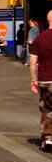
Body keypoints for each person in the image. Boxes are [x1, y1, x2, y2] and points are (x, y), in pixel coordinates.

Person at [29, 10, 52, 153]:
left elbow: (32, 61)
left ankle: (48, 138)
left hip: (45, 80)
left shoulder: (39, 38)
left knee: (47, 109)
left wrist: (33, 80)